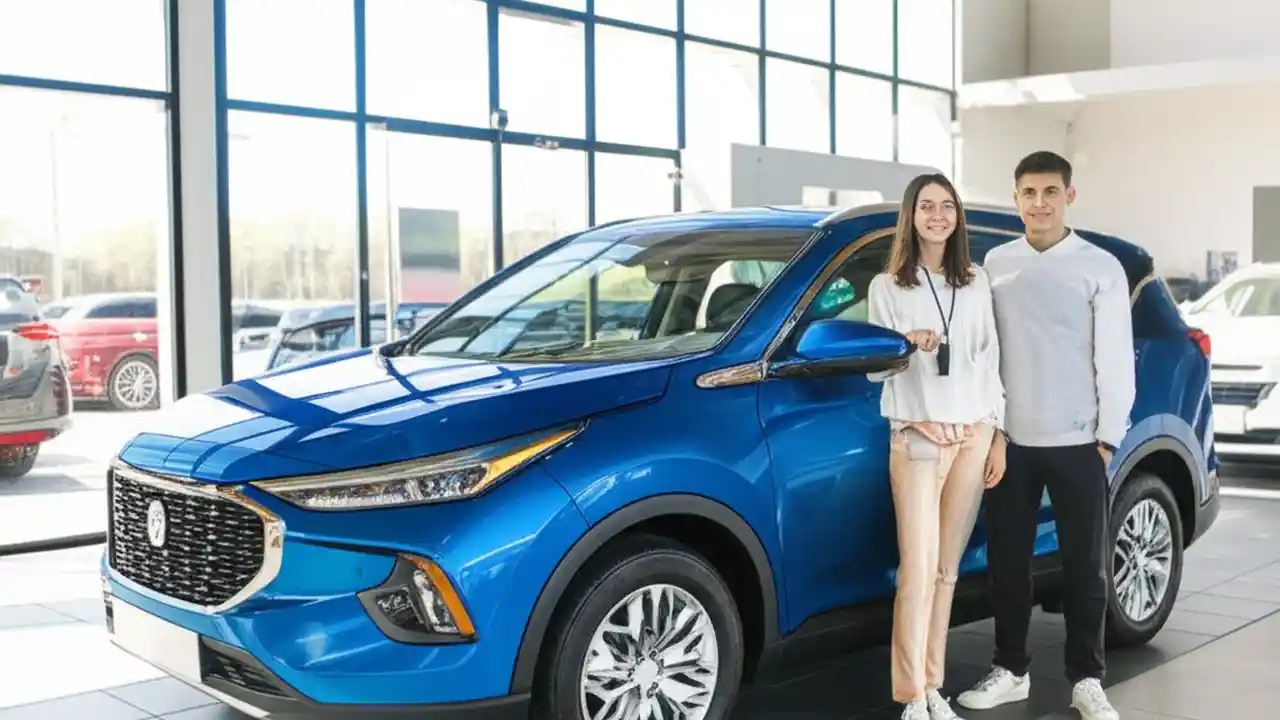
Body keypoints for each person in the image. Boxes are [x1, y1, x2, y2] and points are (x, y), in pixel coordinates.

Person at [955, 151, 1135, 720]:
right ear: (1016, 199)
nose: (1039, 203)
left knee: (1086, 567)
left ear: (1069, 196)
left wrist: (1106, 439)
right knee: (1008, 564)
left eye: (1050, 192)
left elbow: (1114, 362)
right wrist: (991, 430)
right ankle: (1011, 670)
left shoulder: (1100, 266)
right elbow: (984, 352)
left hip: (1080, 442)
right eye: (1028, 193)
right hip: (1010, 442)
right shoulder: (995, 263)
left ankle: (1087, 679)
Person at [868, 173, 1007, 720]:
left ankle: (933, 688)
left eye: (946, 206)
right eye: (927, 206)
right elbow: (876, 370)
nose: (937, 215)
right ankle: (910, 696)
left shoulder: (975, 282)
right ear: (911, 216)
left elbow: (990, 359)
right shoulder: (888, 287)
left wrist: (995, 432)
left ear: (957, 217)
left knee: (948, 570)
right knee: (918, 569)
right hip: (918, 437)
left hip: (971, 436)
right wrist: (906, 345)